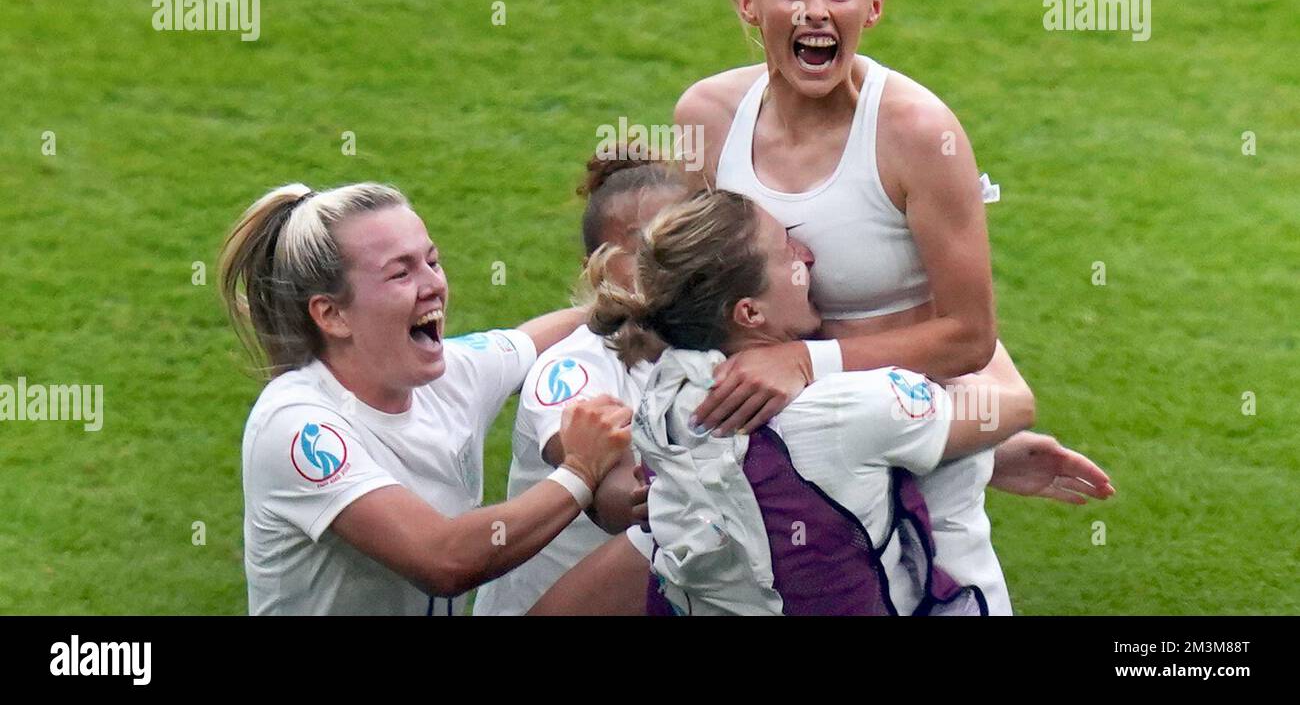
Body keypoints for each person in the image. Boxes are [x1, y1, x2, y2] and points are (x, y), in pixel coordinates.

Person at [670, 0, 1093, 612]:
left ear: (876, 4)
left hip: (920, 481)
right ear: (747, 2)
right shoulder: (706, 120)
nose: (815, 12)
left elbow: (970, 337)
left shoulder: (916, 133)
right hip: (773, 465)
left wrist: (809, 362)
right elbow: (689, 300)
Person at [534, 190, 1035, 615]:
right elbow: (1010, 403)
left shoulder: (663, 396)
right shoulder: (847, 406)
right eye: (786, 250)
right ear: (749, 312)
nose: (808, 256)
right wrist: (947, 300)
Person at [217, 181, 632, 615]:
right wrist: (580, 471)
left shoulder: (447, 375)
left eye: (432, 262)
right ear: (332, 314)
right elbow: (443, 560)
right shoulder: (298, 427)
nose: (432, 284)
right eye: (401, 273)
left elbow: (531, 340)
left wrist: (640, 303)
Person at [473, 155, 690, 615]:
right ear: (594, 267)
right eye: (644, 247)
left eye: (684, 238)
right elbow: (609, 498)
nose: (672, 261)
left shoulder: (725, 342)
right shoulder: (572, 371)